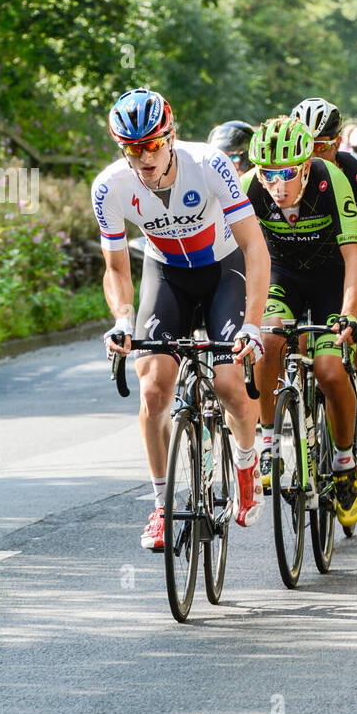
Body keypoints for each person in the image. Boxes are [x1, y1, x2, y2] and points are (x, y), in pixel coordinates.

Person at [93, 88, 269, 551]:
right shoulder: (110, 187)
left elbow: (254, 247)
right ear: (122, 149)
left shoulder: (210, 163)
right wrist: (123, 320)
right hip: (166, 274)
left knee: (231, 384)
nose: (145, 157)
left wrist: (252, 323)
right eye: (133, 148)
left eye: (152, 144)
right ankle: (161, 505)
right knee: (153, 388)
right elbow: (116, 269)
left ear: (170, 137)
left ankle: (247, 465)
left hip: (222, 270)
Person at [242, 114, 357, 528]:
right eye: (268, 175)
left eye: (287, 175)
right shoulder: (250, 191)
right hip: (282, 278)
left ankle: (345, 462)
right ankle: (267, 438)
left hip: (332, 280)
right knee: (267, 340)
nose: (277, 186)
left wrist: (350, 313)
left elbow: (354, 255)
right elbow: (236, 259)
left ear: (305, 165)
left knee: (331, 371)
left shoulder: (329, 178)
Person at [291, 96, 357, 456]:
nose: (310, 154)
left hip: (348, 265)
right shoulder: (288, 176)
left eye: (319, 146)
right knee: (298, 340)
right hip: (301, 268)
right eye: (304, 145)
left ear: (337, 143)